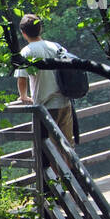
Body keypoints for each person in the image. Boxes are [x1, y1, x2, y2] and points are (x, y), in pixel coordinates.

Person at [13, 13, 75, 141]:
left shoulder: (27, 52)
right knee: (66, 146)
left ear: (23, 33)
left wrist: (23, 96)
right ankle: (69, 162)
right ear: (40, 28)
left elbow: (22, 78)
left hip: (46, 107)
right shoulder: (56, 47)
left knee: (45, 149)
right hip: (65, 103)